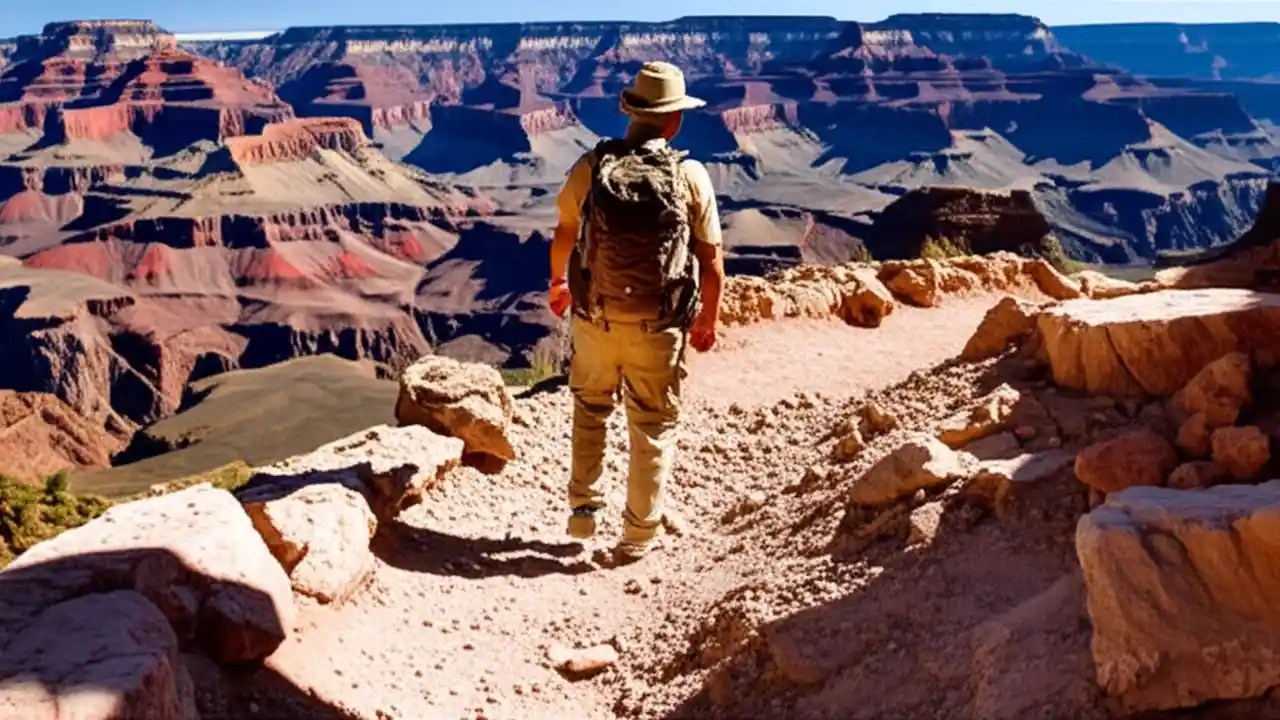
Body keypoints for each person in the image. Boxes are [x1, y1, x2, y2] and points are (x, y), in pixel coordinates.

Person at [547, 60, 725, 564]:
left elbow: (564, 232)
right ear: (674, 121)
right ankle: (637, 535)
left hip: (596, 318)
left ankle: (583, 509)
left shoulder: (592, 167)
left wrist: (559, 283)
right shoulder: (690, 175)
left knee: (591, 407)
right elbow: (711, 262)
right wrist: (708, 319)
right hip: (659, 326)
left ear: (632, 112)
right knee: (651, 425)